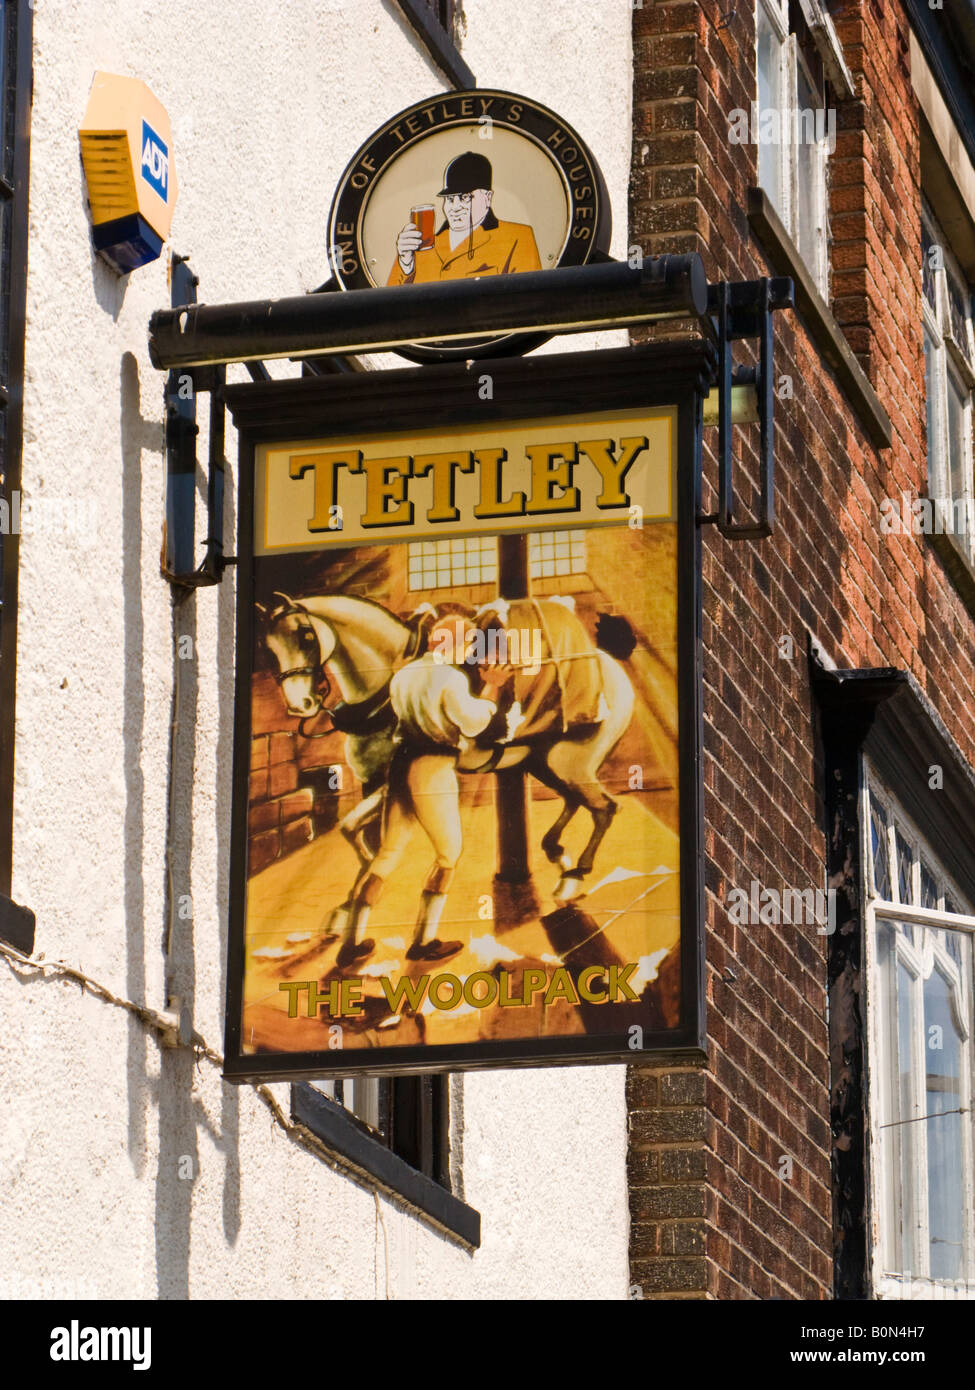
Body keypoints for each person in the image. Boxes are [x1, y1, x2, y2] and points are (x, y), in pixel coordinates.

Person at [336, 611, 519, 968]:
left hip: (401, 763)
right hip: (432, 767)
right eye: (467, 643)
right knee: (449, 854)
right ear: (447, 642)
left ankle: (351, 943)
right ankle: (424, 940)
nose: (469, 651)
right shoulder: (450, 678)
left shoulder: (403, 674)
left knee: (387, 854)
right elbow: (472, 723)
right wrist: (492, 686)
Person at [387, 151, 542, 285]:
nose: (454, 207)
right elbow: (386, 305)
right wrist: (406, 264)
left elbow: (528, 299)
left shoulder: (517, 237)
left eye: (465, 197)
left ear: (487, 198)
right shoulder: (422, 247)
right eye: (449, 199)